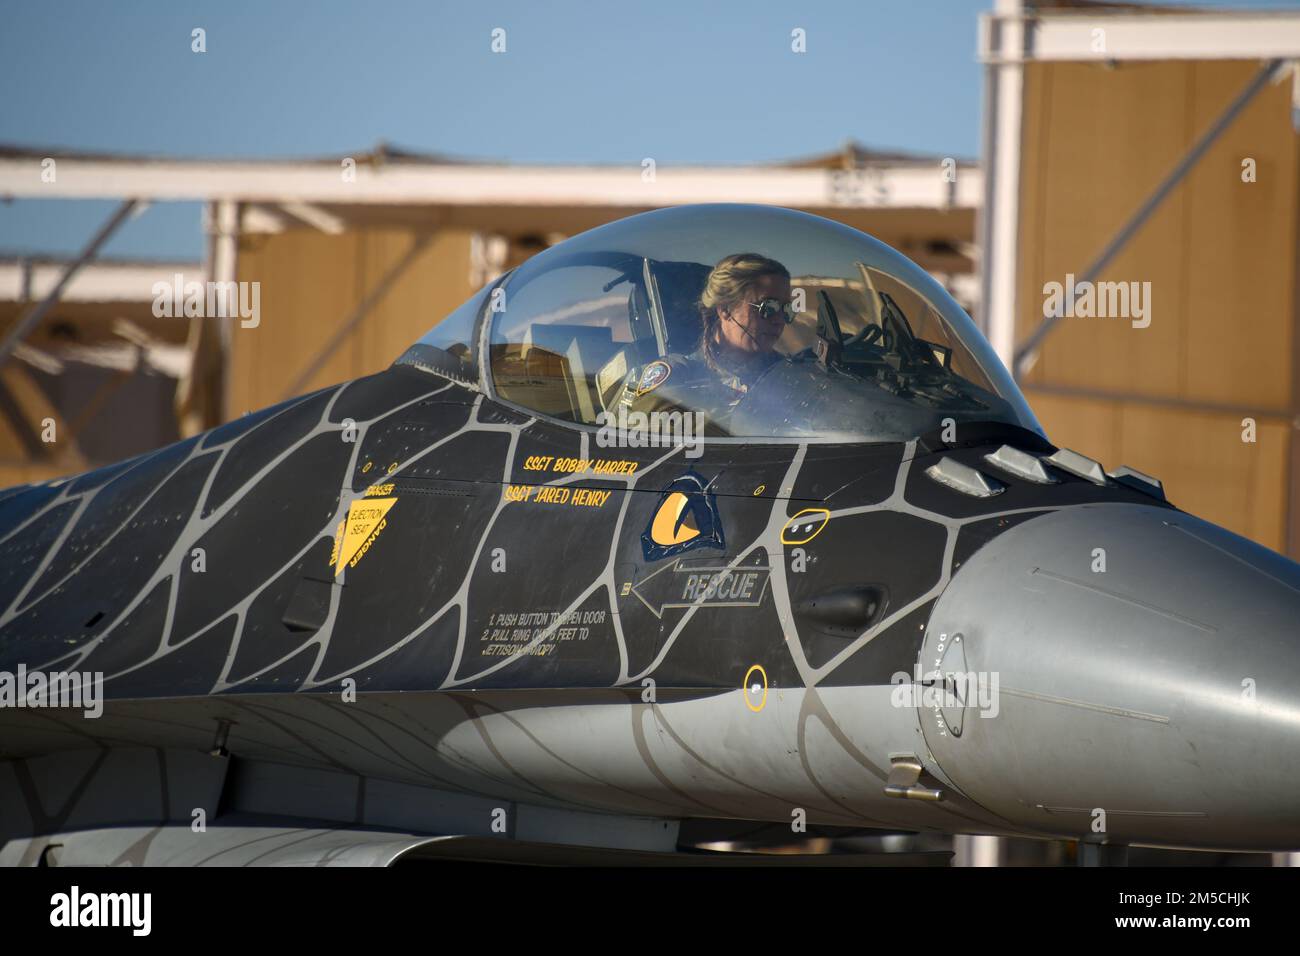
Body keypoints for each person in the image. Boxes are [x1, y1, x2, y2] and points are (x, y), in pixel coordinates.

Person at [618, 253, 794, 432]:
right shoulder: (677, 375)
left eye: (786, 310)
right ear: (725, 309)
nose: (780, 320)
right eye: (768, 308)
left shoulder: (790, 377)